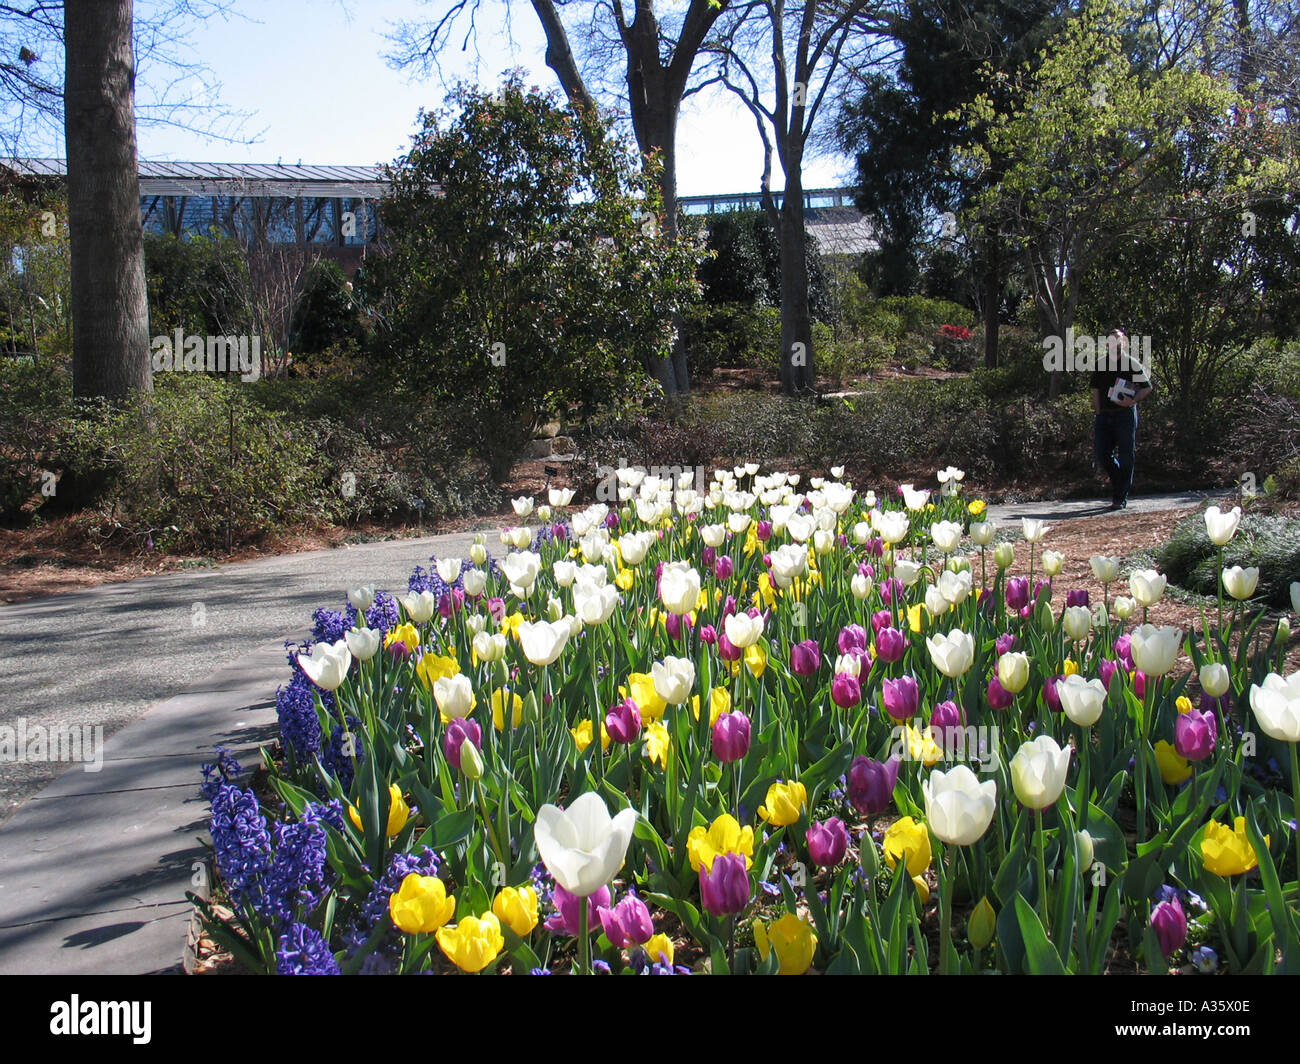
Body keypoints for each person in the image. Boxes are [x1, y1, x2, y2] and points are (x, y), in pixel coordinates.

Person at [1090, 329, 1153, 511]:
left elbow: (1146, 387)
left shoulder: (1131, 364)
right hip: (1104, 416)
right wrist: (1098, 411)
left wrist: (1132, 401)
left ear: (1124, 343)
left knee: (1126, 456)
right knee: (1102, 454)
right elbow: (1095, 389)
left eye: (1118, 340)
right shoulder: (1101, 363)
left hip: (1124, 415)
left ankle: (1120, 498)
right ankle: (1121, 481)